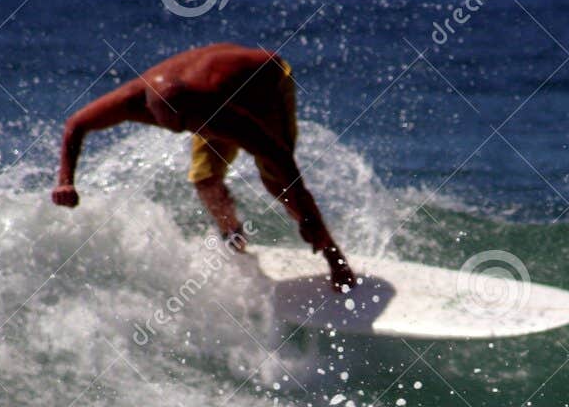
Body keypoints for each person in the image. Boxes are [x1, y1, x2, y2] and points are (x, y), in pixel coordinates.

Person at [51, 43, 357, 292]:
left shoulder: (223, 116)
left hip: (267, 83)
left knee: (275, 181)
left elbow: (282, 160)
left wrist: (307, 218)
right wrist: (66, 181)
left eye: (193, 123)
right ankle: (234, 240)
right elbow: (75, 125)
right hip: (201, 90)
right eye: (179, 126)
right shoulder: (131, 101)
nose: (190, 130)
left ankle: (334, 257)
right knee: (205, 179)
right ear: (151, 113)